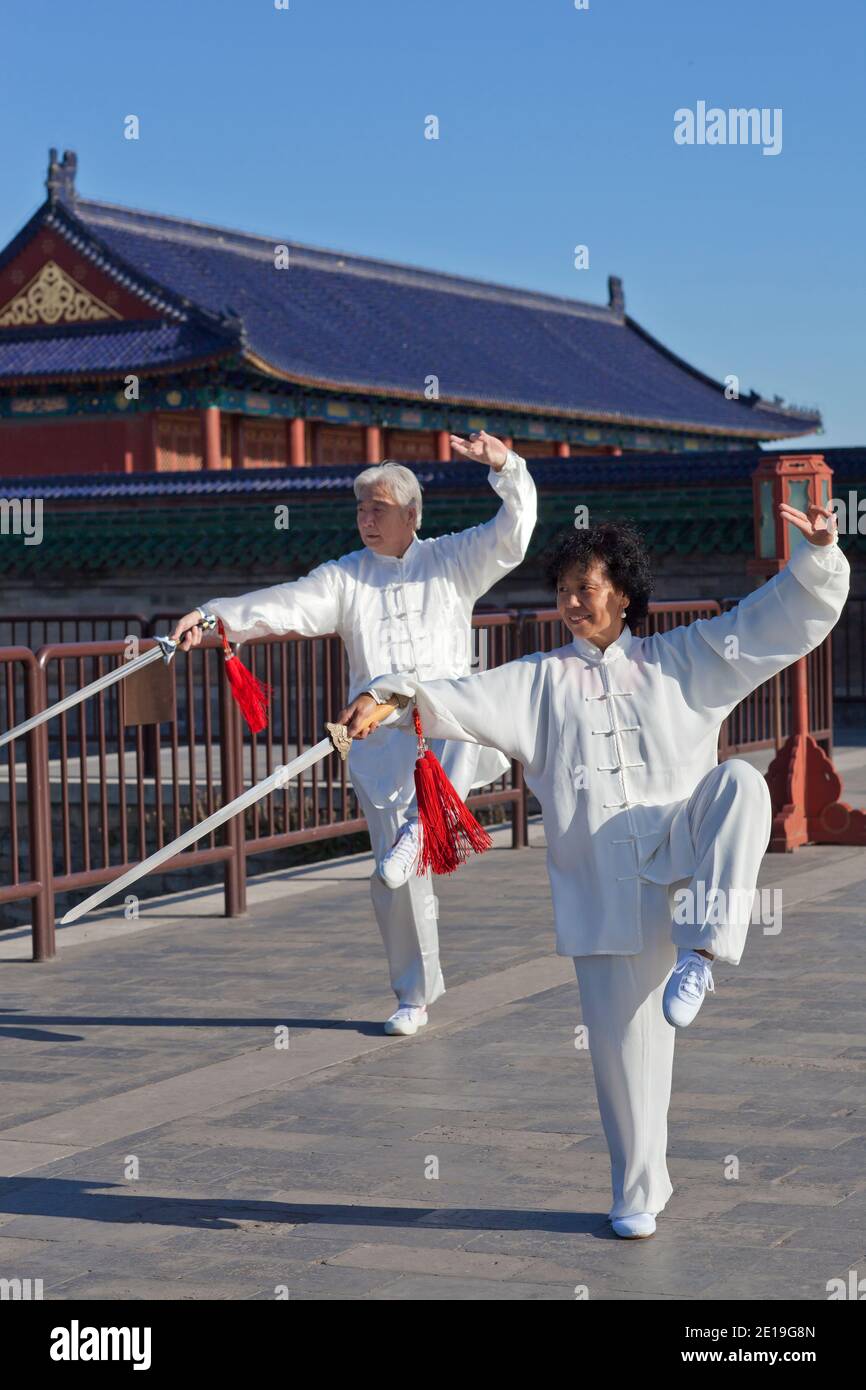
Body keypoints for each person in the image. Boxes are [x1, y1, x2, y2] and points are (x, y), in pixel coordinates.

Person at [345, 501, 850, 1236]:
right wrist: (386, 696)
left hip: (680, 854)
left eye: (588, 587)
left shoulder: (686, 659)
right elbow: (456, 695)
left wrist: (817, 561)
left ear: (624, 594)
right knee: (622, 1055)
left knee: (740, 784)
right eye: (564, 590)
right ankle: (640, 1191)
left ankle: (705, 951)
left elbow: (774, 622)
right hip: (603, 884)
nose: (573, 602)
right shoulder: (540, 682)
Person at [170, 432, 536, 1035]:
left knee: (458, 711)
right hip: (378, 739)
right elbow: (285, 604)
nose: (366, 519)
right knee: (393, 878)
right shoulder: (346, 578)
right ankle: (414, 996)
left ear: (412, 516)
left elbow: (514, 532)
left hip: (448, 730)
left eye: (380, 509)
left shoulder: (454, 560)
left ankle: (427, 826)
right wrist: (215, 616)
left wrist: (506, 466)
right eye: (361, 508)